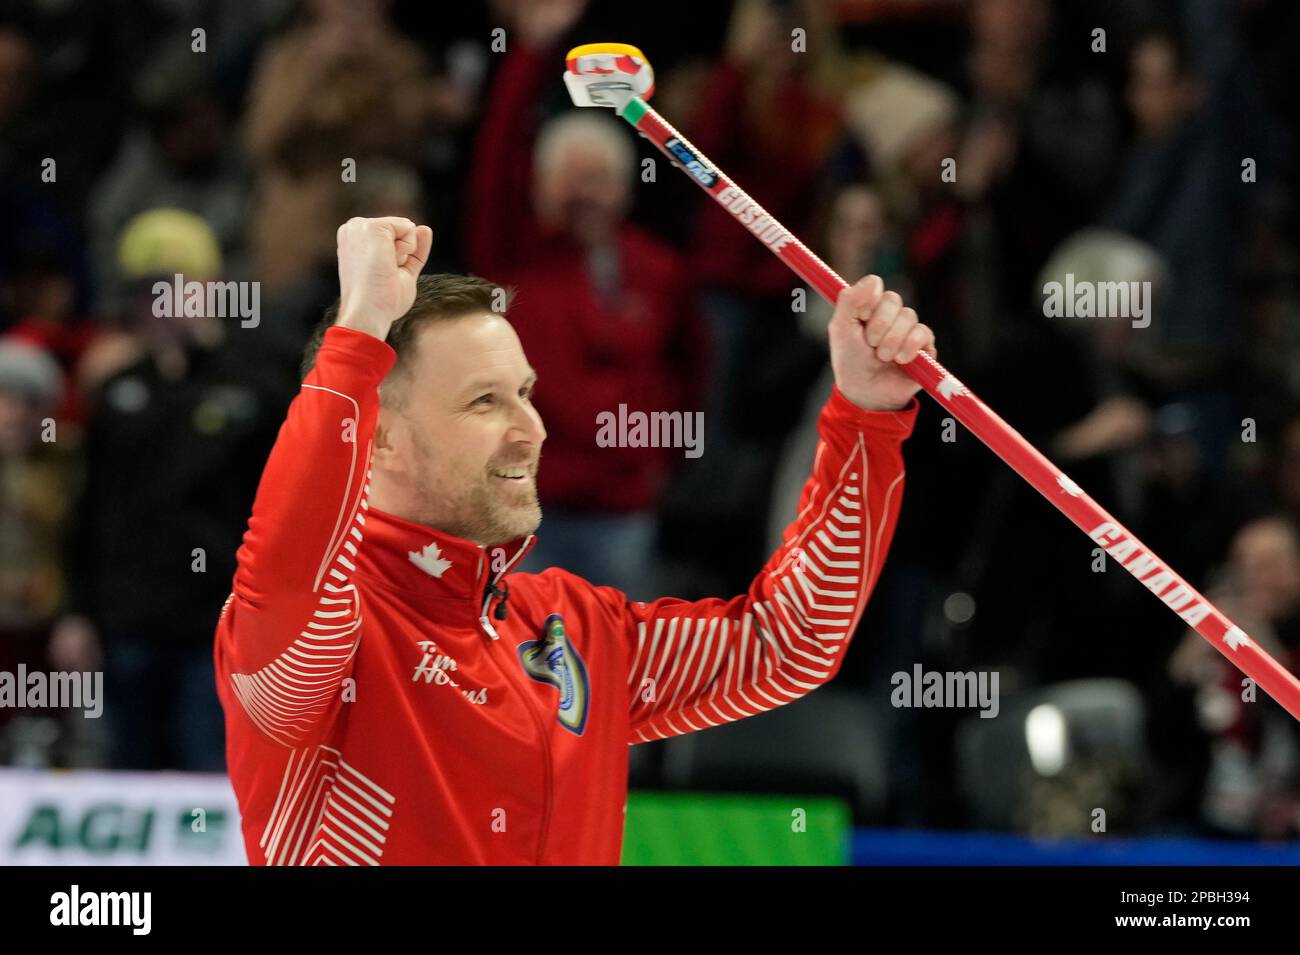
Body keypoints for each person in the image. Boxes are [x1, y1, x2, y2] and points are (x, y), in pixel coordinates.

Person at [215, 216, 934, 865]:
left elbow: (788, 642)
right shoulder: (320, 647)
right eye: (484, 401)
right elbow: (288, 567)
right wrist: (360, 329)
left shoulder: (574, 629)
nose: (532, 427)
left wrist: (866, 416)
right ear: (377, 440)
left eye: (525, 391)